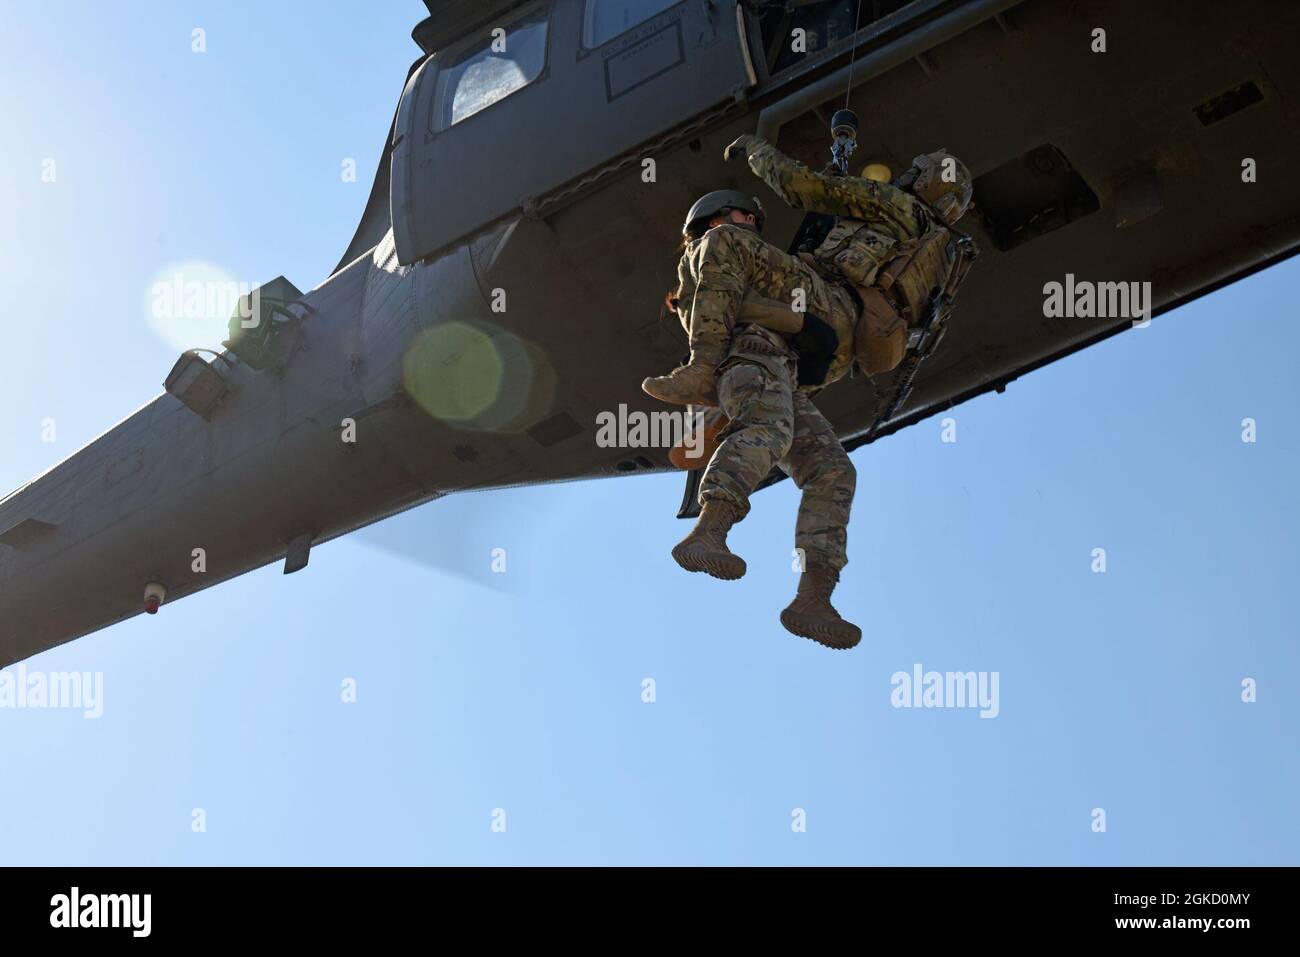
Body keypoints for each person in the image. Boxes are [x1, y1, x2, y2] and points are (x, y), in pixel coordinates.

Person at [646, 136, 975, 650]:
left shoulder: (897, 205)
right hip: (817, 348)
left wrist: (757, 151)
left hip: (804, 315)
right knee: (830, 467)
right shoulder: (938, 253)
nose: (909, 172)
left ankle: (705, 378)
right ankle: (814, 597)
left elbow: (805, 187)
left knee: (726, 248)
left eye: (918, 169)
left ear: (929, 183)